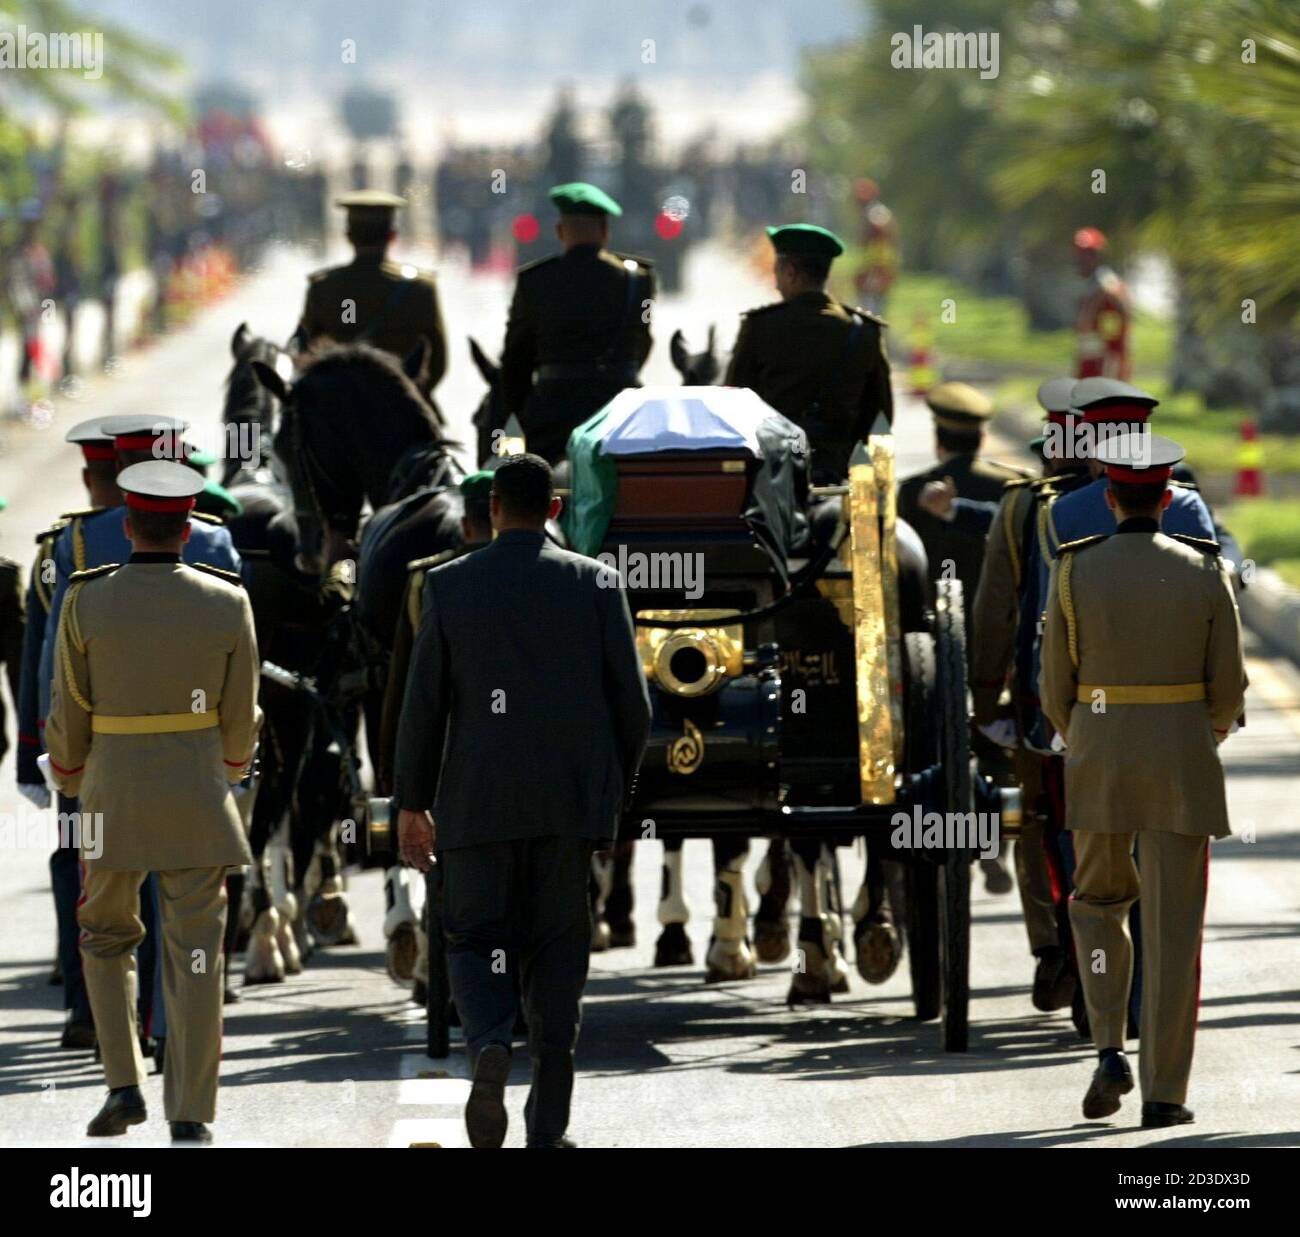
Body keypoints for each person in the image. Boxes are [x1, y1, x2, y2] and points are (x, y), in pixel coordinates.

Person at [393, 454, 650, 1148]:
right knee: (558, 953)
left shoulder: (448, 585)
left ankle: (487, 1043)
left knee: (474, 939)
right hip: (566, 810)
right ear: (556, 511)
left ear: (494, 508)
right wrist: (611, 799)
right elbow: (634, 708)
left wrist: (412, 803)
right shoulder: (599, 583)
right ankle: (547, 1126)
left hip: (475, 807)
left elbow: (423, 708)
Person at [44, 460, 260, 1142]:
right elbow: (241, 719)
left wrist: (69, 775)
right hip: (198, 793)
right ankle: (189, 1112)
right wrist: (226, 769)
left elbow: (68, 711)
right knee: (196, 954)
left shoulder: (85, 599)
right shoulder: (227, 600)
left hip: (110, 794)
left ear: (129, 525)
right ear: (188, 529)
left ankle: (123, 1084)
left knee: (106, 937)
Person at [1040, 432, 1245, 1128]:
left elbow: (1055, 689)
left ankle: (1107, 1046)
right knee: (1173, 928)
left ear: (1108, 496)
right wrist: (1197, 731)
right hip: (1183, 759)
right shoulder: (1205, 569)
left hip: (1099, 758)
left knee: (1098, 905)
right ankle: (1164, 1092)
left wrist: (1090, 735)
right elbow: (1228, 688)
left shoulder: (1073, 569)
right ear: (1166, 496)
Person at [970, 377, 1087, 1015]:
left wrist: (985, 700)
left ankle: (1053, 949)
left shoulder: (1023, 507)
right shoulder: (1158, 498)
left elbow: (994, 615)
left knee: (1038, 824)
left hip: (1044, 710)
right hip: (1142, 713)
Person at [499, 183, 655, 464]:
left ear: (560, 231)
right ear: (605, 231)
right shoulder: (637, 280)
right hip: (619, 414)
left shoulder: (535, 281)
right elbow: (641, 344)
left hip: (552, 415)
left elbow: (515, 360)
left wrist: (527, 412)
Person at [725, 223, 892, 485]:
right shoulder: (863, 331)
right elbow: (880, 416)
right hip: (839, 475)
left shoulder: (760, 327)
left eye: (777, 272)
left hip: (773, 475)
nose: (776, 284)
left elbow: (734, 404)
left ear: (790, 272)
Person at [377, 470, 493, 795]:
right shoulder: (549, 576)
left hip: (445, 751)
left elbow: (402, 679)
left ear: (465, 525)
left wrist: (389, 764)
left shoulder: (425, 579)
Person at [295, 190, 447, 403]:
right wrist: (413, 395)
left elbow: (304, 349)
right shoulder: (419, 288)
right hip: (402, 404)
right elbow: (438, 360)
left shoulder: (324, 286)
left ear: (348, 236)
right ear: (392, 236)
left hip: (338, 404)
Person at [1073, 227, 1130, 380]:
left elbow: (1115, 332)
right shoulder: (1090, 285)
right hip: (1089, 366)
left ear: (1098, 256)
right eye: (1080, 254)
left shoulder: (1108, 285)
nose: (1082, 259)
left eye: (1089, 254)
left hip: (1104, 368)